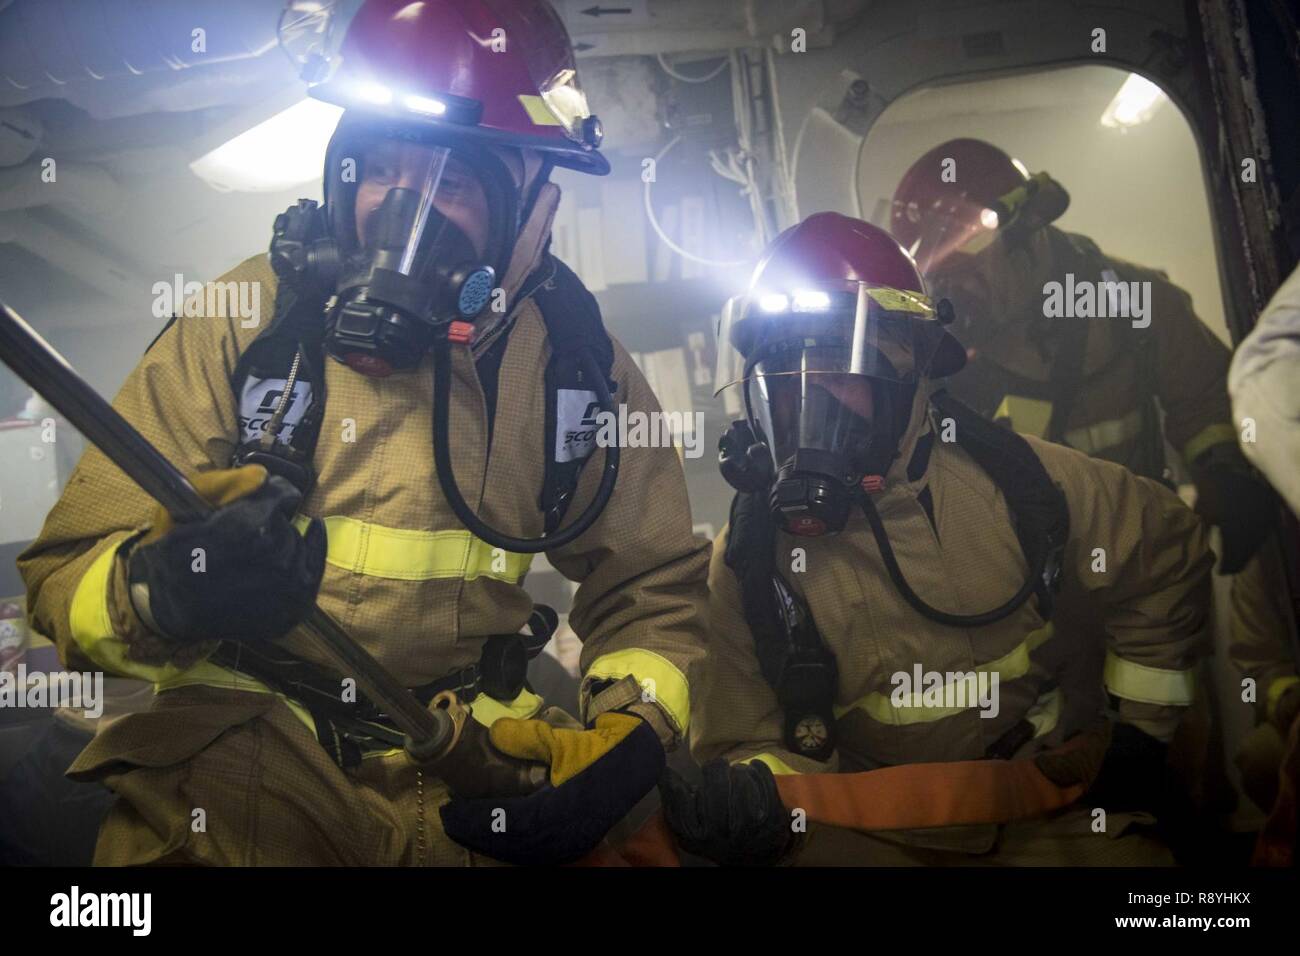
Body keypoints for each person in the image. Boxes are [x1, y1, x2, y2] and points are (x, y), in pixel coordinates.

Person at [18, 0, 708, 867]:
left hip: (473, 767)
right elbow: (65, 571)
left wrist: (631, 736)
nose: (400, 215)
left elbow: (655, 587)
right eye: (381, 169)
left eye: (452, 186)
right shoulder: (249, 321)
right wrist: (171, 587)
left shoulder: (573, 362)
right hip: (245, 762)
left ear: (534, 210)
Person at [664, 212, 1213, 866]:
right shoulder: (749, 560)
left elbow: (1167, 555)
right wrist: (759, 796)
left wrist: (1142, 737)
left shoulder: (1028, 487)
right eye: (788, 386)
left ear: (909, 376)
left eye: (840, 376)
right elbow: (740, 739)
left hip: (1047, 807)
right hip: (870, 829)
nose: (812, 413)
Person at [890, 137, 1287, 832]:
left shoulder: (1132, 305)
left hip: (1151, 578)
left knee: (1180, 768)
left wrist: (1226, 471)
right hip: (1038, 608)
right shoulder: (950, 364)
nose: (955, 296)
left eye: (967, 268)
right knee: (1071, 783)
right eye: (939, 275)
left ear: (1028, 238)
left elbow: (1208, 400)